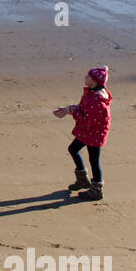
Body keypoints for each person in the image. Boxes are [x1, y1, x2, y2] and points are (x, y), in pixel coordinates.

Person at [54, 66, 112, 201]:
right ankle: (83, 180)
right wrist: (69, 109)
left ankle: (97, 189)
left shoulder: (97, 100)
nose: (85, 78)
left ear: (96, 81)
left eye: (88, 77)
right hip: (88, 132)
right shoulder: (90, 93)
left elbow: (87, 120)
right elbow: (83, 109)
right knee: (73, 149)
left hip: (95, 133)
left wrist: (72, 112)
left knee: (94, 161)